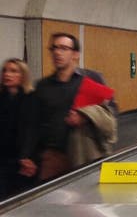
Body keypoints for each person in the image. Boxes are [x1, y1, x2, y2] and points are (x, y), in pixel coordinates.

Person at [19, 33, 117, 183]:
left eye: (64, 48)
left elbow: (112, 113)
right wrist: (27, 155)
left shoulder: (92, 79)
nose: (57, 52)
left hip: (86, 155)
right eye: (54, 48)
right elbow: (33, 124)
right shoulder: (43, 86)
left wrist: (86, 116)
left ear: (75, 54)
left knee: (85, 203)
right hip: (53, 159)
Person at [0, 58, 35, 198]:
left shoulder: (31, 98)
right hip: (2, 159)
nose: (7, 74)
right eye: (5, 70)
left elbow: (33, 129)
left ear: (23, 76)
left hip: (23, 159)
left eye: (13, 71)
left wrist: (26, 156)